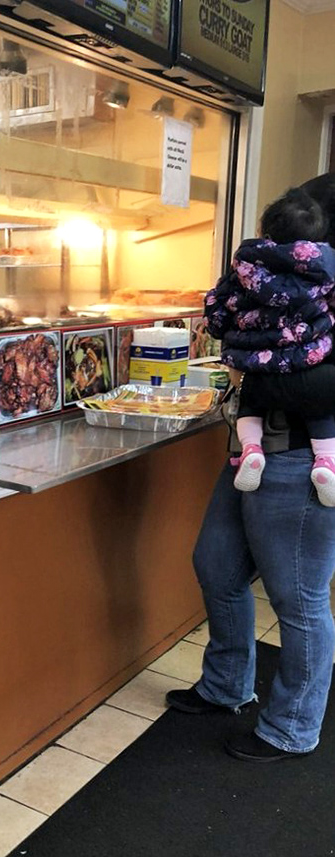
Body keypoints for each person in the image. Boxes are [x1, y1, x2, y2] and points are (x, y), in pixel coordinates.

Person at [166, 175, 335, 763]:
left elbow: (323, 384)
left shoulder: (325, 290)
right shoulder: (277, 281)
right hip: (255, 448)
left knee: (299, 600)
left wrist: (255, 372)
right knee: (216, 565)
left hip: (307, 458)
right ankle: (226, 684)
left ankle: (292, 726)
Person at [203, 188, 335, 505]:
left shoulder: (245, 266)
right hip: (307, 355)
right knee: (319, 409)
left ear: (265, 233)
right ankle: (327, 461)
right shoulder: (326, 270)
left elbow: (216, 313)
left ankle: (251, 449)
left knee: (251, 402)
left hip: (251, 357)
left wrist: (224, 330)